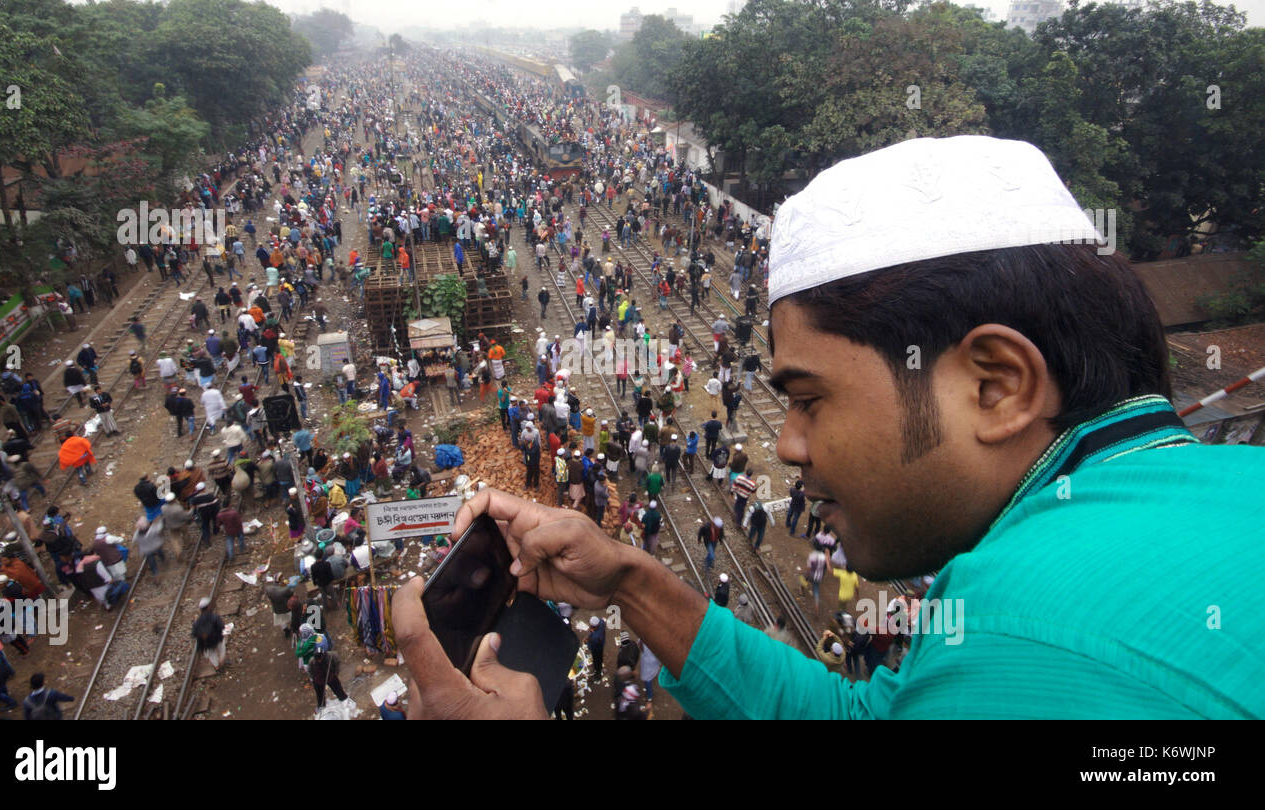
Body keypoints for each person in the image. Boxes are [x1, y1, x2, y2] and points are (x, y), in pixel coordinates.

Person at [383, 135, 1265, 720]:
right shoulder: (1226, 488)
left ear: (995, 385)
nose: (789, 444)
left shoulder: (1035, 655)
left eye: (809, 399)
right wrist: (629, 579)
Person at [191, 597, 226, 671]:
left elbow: (194, 634)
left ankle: (217, 666)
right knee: (222, 648)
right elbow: (221, 626)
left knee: (211, 654)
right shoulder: (214, 617)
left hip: (206, 643)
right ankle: (221, 661)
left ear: (201, 609)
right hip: (217, 638)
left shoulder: (197, 622)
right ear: (209, 606)